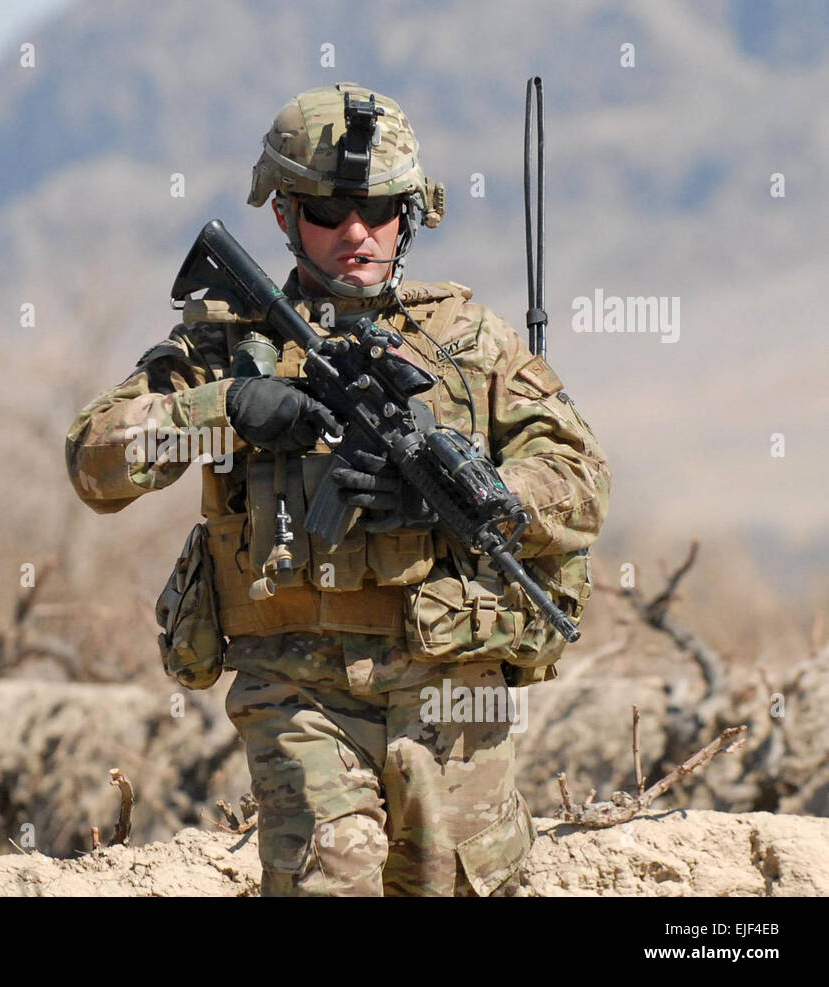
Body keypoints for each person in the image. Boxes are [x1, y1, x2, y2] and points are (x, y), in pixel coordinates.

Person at [65, 82, 611, 896]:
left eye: (380, 208)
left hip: (454, 685)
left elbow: (581, 479)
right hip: (298, 687)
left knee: (458, 882)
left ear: (413, 213)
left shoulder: (470, 341)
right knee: (334, 874)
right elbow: (95, 463)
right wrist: (225, 408)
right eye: (326, 212)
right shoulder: (229, 345)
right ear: (284, 217)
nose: (355, 232)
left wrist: (474, 495)